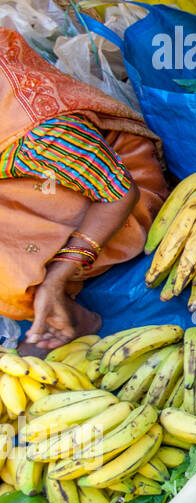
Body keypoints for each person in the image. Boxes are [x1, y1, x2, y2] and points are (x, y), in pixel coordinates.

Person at [0, 29, 167, 354]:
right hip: (48, 173)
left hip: (118, 193)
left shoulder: (38, 135)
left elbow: (117, 193)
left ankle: (62, 312)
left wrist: (56, 277)